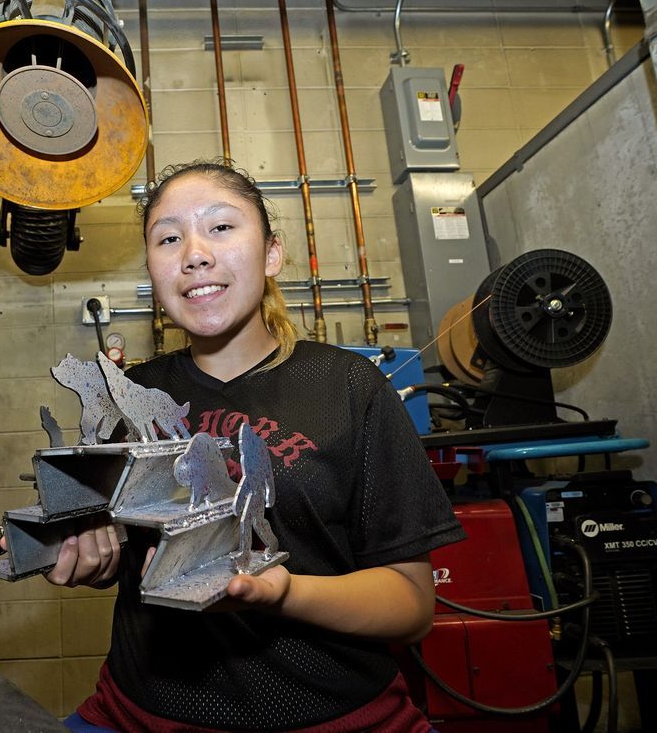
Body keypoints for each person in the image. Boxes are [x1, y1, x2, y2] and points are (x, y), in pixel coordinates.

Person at [45, 159, 464, 732]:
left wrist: (282, 593)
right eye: (169, 237)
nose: (194, 253)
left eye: (220, 228)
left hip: (339, 717)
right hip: (140, 713)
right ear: (153, 266)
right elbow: (124, 548)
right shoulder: (134, 396)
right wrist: (87, 555)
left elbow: (412, 607)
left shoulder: (347, 387)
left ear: (272, 254)